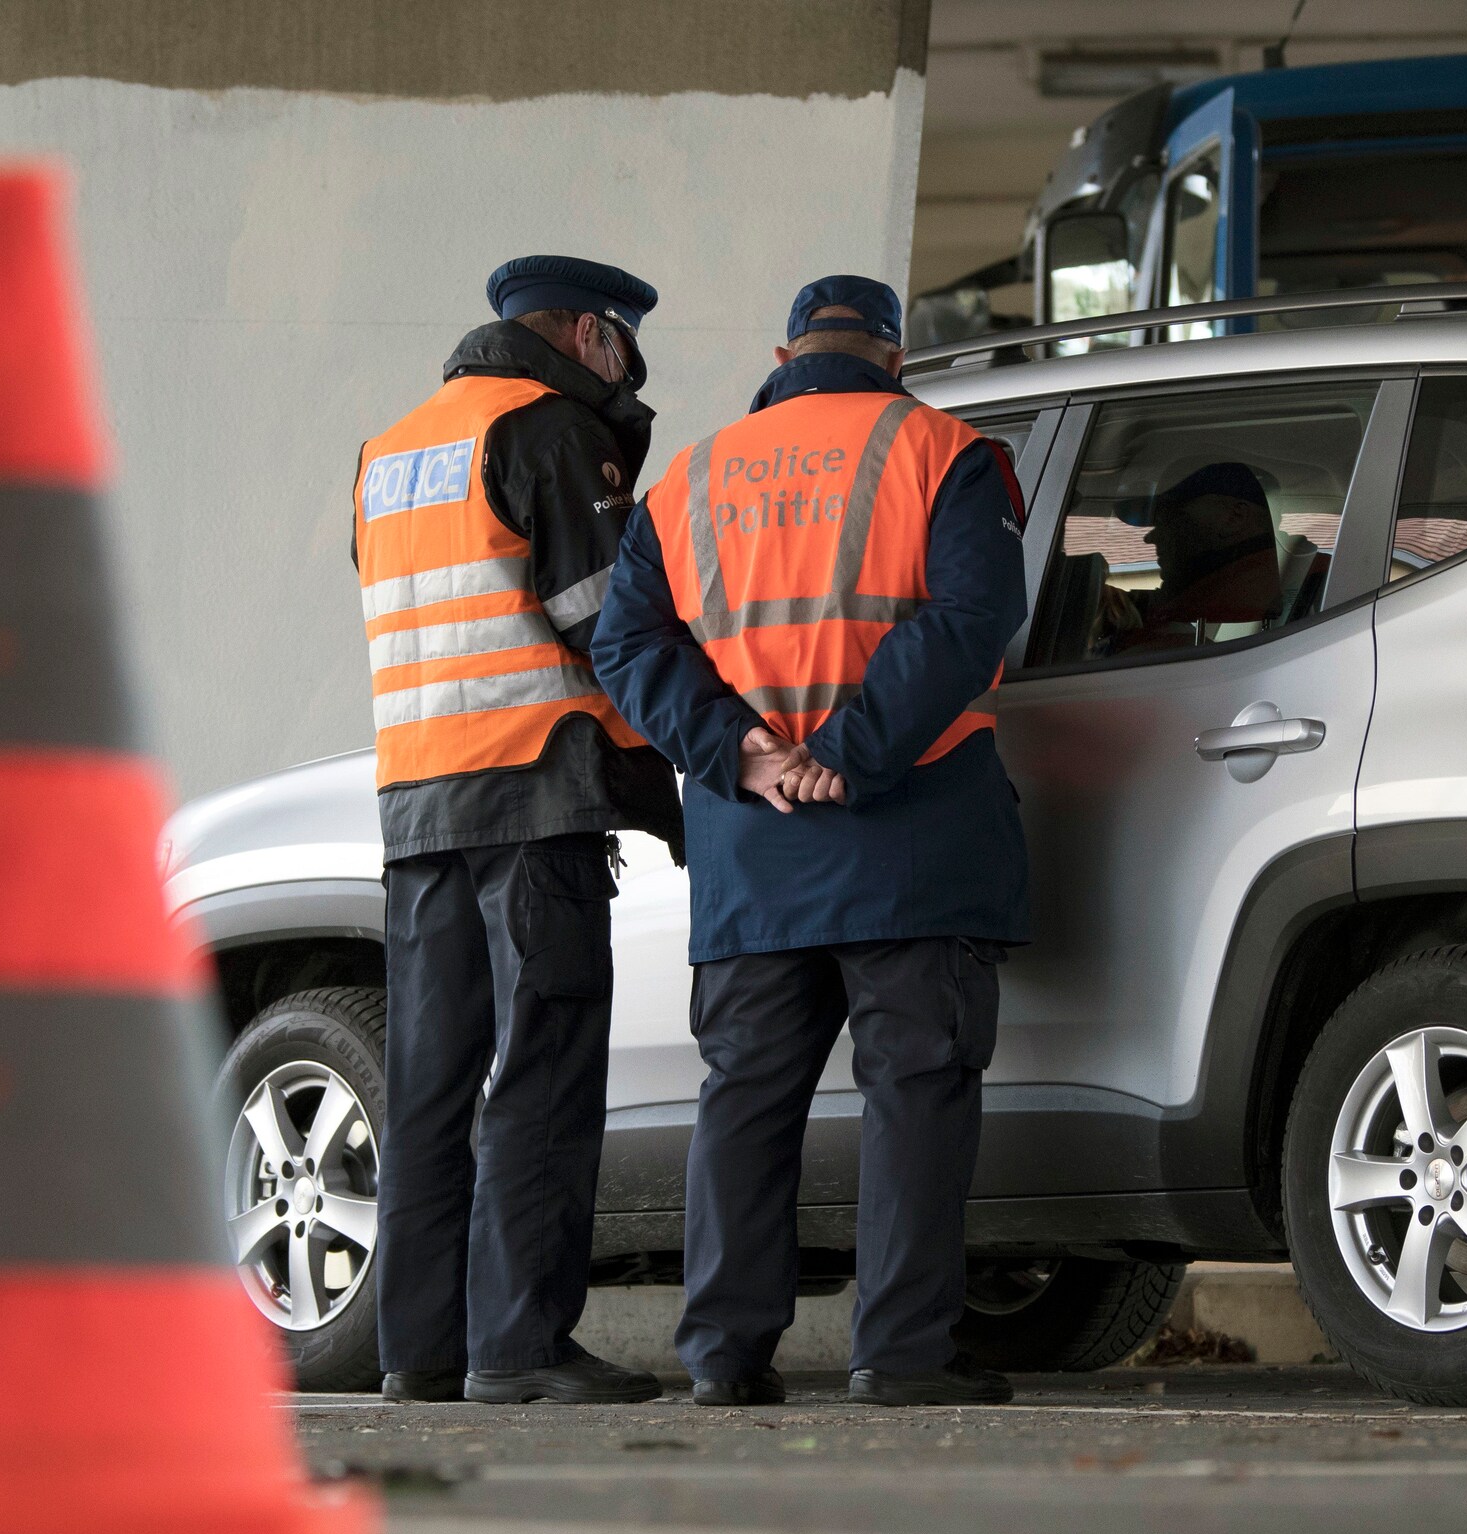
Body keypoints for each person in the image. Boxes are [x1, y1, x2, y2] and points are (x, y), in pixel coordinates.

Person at [590, 275, 1030, 1408]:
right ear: (893, 357)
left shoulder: (692, 475)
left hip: (751, 844)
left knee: (743, 1097)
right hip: (908, 833)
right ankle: (897, 1355)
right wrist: (854, 747)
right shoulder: (940, 451)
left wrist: (741, 749)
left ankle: (722, 1355)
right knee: (914, 1093)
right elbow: (970, 620)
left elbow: (628, 646)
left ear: (782, 351)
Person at [354, 255, 683, 1405]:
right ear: (590, 337)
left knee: (429, 1085)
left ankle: (419, 1351)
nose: (626, 370)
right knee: (539, 1074)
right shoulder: (544, 432)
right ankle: (521, 1346)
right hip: (532, 800)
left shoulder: (389, 450)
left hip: (414, 810)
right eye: (623, 349)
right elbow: (609, 632)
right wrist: (687, 767)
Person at [1096, 461, 1285, 656]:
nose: (1150, 537)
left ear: (1234, 518)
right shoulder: (1190, 608)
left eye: (1171, 517)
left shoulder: (1170, 653)